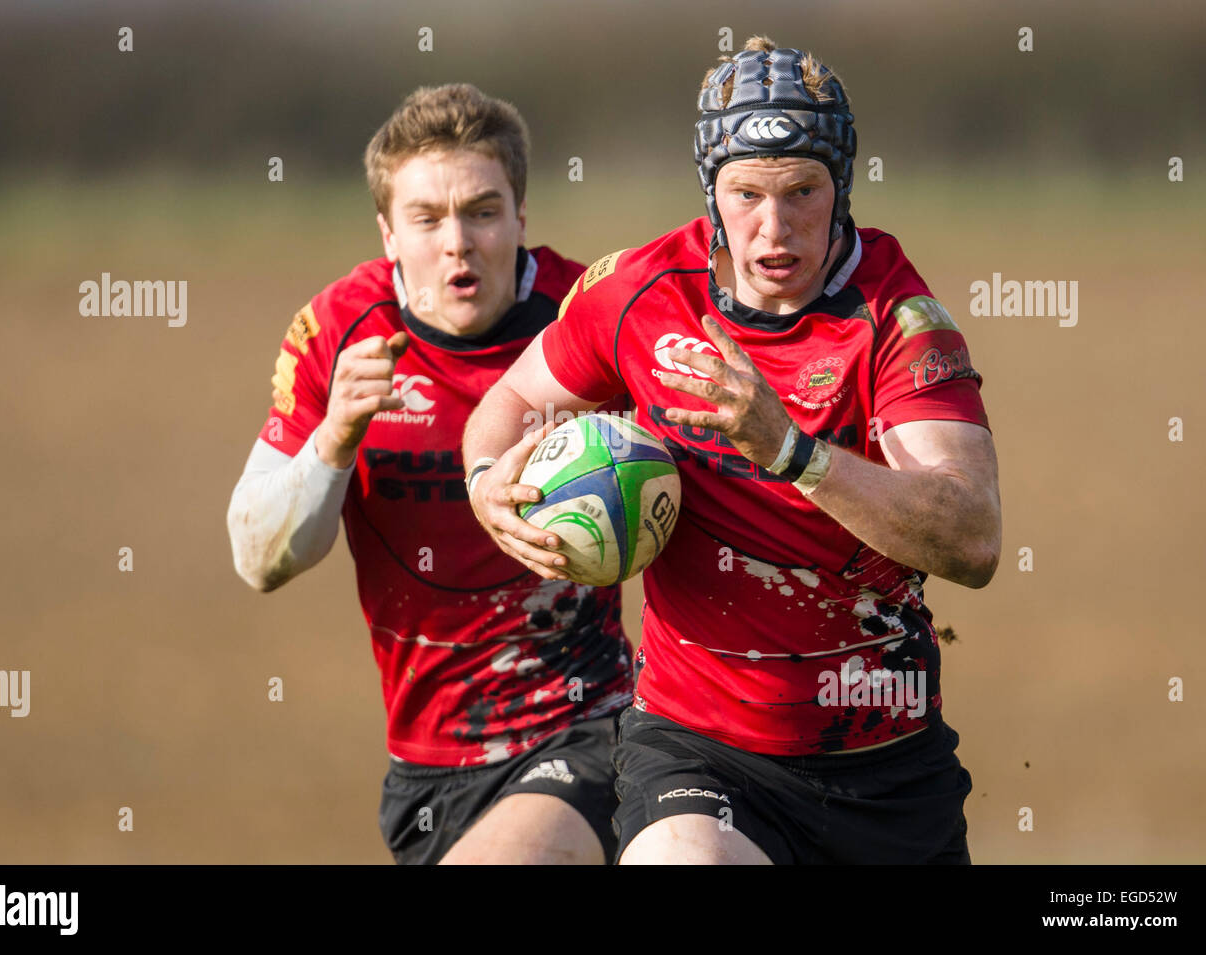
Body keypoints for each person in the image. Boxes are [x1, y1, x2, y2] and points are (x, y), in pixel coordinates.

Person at [463, 38, 1002, 864]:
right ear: (711, 192)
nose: (774, 227)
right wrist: (484, 483)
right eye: (746, 193)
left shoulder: (897, 319)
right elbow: (510, 400)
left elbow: (972, 537)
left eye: (803, 193)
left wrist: (791, 449)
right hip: (699, 750)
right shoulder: (640, 294)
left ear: (843, 186)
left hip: (884, 764)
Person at [226, 84, 633, 865]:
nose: (458, 241)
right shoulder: (337, 332)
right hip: (428, 764)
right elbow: (256, 560)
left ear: (521, 217)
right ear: (388, 233)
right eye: (426, 218)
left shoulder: (588, 320)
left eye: (482, 211)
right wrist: (335, 439)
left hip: (589, 725)